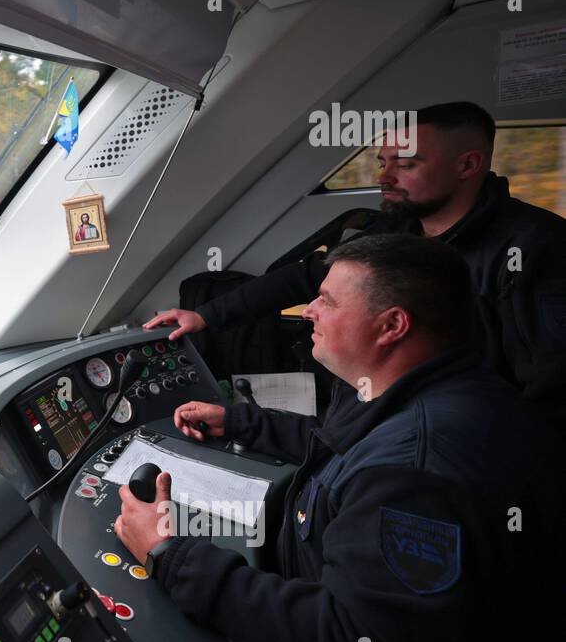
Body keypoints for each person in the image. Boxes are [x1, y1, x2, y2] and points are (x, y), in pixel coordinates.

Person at [115, 234, 557, 642]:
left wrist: (171, 557)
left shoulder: (412, 475)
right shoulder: (424, 387)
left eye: (326, 300)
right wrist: (241, 422)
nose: (308, 311)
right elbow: (346, 445)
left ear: (391, 326)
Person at [142, 102, 566, 423]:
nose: (383, 177)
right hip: (385, 409)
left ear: (468, 165)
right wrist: (206, 316)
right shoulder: (395, 228)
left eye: (406, 164)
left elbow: (548, 384)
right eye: (383, 163)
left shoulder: (536, 247)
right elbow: (310, 275)